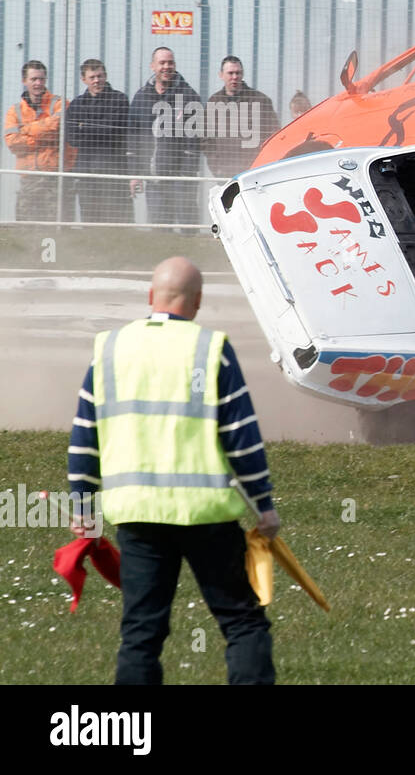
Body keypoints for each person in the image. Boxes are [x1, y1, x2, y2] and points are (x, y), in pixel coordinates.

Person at [67, 256, 279, 685]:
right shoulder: (211, 348)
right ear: (198, 302)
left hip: (138, 516)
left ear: (150, 297)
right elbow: (242, 437)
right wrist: (264, 506)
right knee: (241, 622)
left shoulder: (108, 349)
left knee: (141, 633)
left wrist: (82, 505)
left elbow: (84, 435)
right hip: (206, 516)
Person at [127, 47, 205, 232]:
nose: (166, 66)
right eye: (162, 63)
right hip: (153, 177)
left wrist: (187, 173)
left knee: (188, 229)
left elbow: (195, 140)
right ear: (153, 66)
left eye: (170, 62)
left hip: (181, 177)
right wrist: (134, 173)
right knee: (160, 230)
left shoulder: (188, 96)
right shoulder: (141, 97)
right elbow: (132, 138)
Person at [66, 59, 132, 225]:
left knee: (115, 220)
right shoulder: (77, 104)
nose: (97, 80)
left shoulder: (119, 99)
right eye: (92, 77)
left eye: (100, 76)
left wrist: (85, 127)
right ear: (84, 79)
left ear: (106, 76)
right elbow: (72, 138)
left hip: (113, 171)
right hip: (86, 172)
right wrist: (102, 128)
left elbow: (115, 131)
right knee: (89, 219)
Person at [4, 60, 67, 222]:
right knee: (26, 227)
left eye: (41, 79)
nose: (38, 83)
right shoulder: (15, 111)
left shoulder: (59, 103)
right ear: (24, 81)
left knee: (53, 229)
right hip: (28, 179)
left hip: (54, 177)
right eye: (33, 79)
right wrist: (44, 138)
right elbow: (13, 143)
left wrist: (26, 130)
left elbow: (58, 126)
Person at [204, 56, 281, 178]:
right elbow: (207, 138)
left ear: (242, 74)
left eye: (238, 73)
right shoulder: (213, 102)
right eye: (230, 73)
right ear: (221, 75)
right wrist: (216, 167)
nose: (234, 77)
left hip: (253, 172)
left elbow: (273, 135)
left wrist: (261, 164)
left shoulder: (261, 101)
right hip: (224, 173)